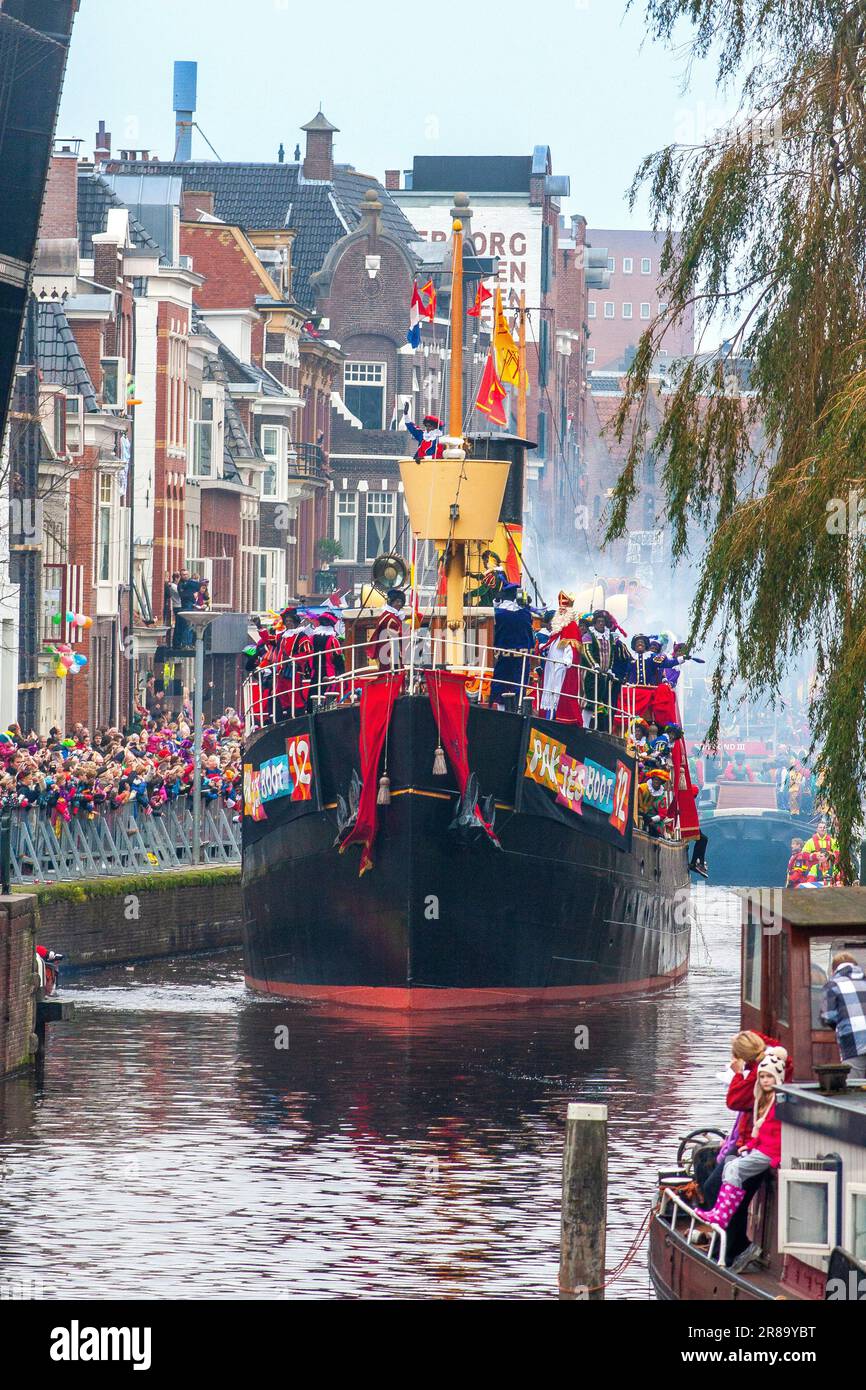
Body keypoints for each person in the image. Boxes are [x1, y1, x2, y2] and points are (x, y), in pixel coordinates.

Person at [694, 1046, 788, 1232]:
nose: (765, 1081)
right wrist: (750, 1145)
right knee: (730, 1165)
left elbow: (779, 1136)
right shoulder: (764, 1101)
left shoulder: (779, 1103)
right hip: (760, 1149)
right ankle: (719, 1212)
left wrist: (777, 1158)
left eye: (769, 1077)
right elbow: (761, 1133)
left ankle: (722, 1216)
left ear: (778, 1078)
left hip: (769, 1153)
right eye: (762, 1077)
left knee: (734, 1168)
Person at [580, 609, 629, 731]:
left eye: (603, 621)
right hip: (590, 673)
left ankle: (597, 727)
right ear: (595, 622)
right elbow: (586, 651)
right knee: (589, 699)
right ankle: (584, 725)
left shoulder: (609, 637)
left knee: (600, 700)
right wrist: (594, 665)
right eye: (598, 621)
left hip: (603, 675)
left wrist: (610, 670)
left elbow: (611, 654)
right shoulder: (588, 635)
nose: (601, 623)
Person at [820, 953, 866, 1078]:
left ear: (834, 969)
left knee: (854, 1088)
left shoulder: (833, 984)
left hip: (854, 1043)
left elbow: (828, 1017)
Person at [490, 582, 535, 709]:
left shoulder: (499, 613)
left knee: (500, 680)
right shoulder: (525, 613)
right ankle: (518, 708)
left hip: (503, 653)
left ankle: (500, 707)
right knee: (519, 682)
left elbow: (496, 606)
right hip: (522, 653)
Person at [274, 608, 313, 718]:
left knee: (295, 695)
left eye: (290, 621)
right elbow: (268, 640)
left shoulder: (301, 636)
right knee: (281, 695)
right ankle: (284, 716)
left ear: (295, 622)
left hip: (294, 672)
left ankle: (297, 716)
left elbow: (307, 653)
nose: (288, 623)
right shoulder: (282, 636)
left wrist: (291, 658)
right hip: (281, 672)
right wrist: (260, 628)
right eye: (286, 621)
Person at [310, 610, 345, 703]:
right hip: (328, 672)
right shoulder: (333, 640)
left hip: (314, 672)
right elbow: (338, 658)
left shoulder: (312, 638)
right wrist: (342, 671)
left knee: (314, 694)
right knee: (328, 695)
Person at [367, 589, 407, 669]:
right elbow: (397, 634)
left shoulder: (391, 615)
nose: (399, 604)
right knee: (393, 675)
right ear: (391, 602)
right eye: (397, 601)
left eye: (401, 602)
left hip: (390, 652)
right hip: (389, 653)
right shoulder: (389, 618)